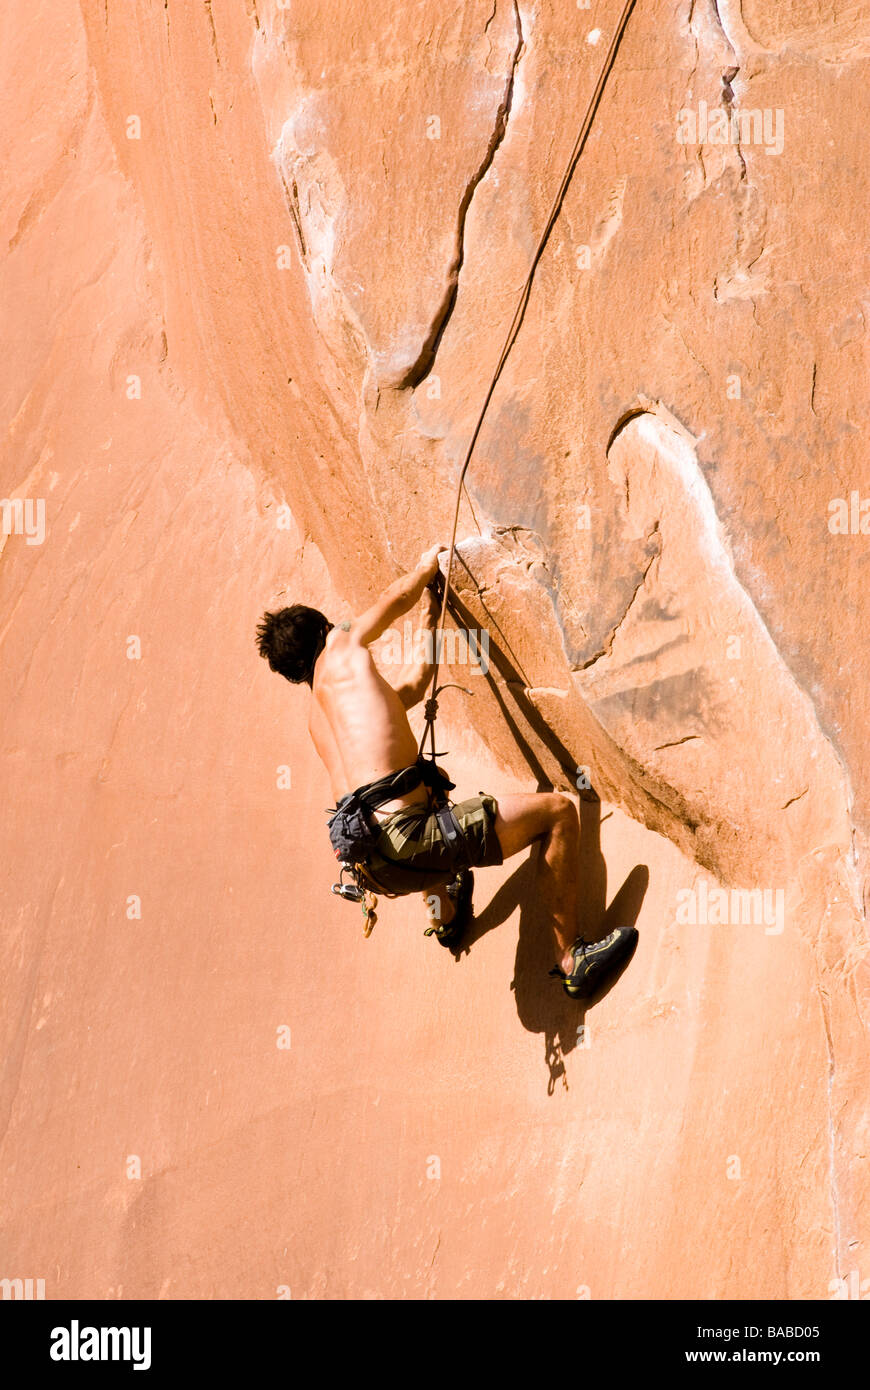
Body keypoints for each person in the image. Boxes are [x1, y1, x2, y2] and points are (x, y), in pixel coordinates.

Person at [256, 545, 636, 998]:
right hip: (411, 839)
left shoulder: (319, 718)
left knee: (424, 809)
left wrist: (430, 620)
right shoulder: (339, 643)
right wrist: (424, 569)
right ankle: (573, 959)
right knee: (556, 813)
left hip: (376, 869)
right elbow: (396, 598)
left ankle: (445, 918)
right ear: (323, 627)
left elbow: (415, 685)